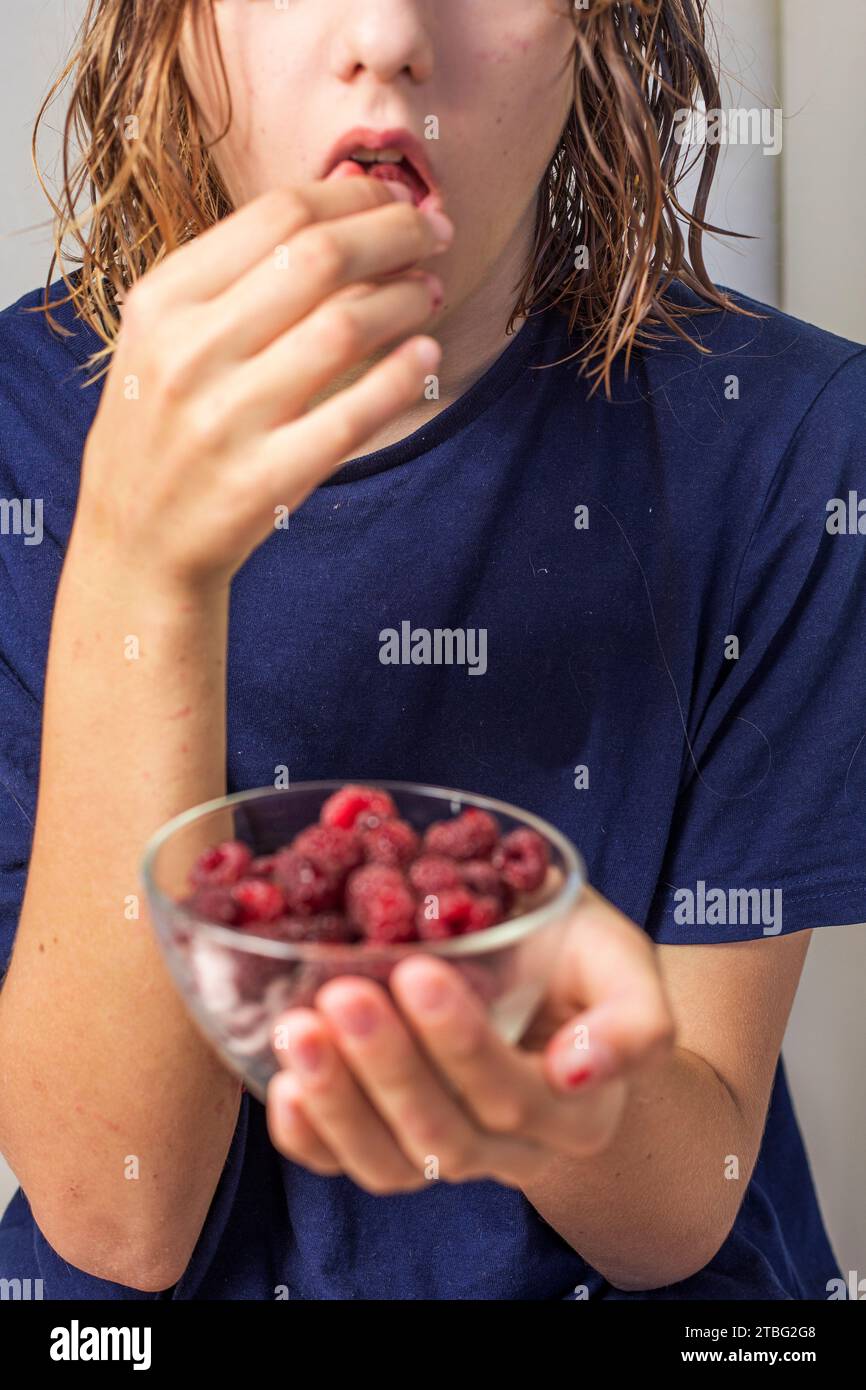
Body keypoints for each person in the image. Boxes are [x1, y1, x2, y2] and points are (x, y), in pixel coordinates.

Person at [0, 0, 863, 1301]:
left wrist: (548, 1069)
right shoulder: (20, 436)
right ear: (171, 28)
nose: (389, 37)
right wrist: (145, 560)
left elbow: (679, 1208)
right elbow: (115, 1219)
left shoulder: (788, 439)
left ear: (599, 32)